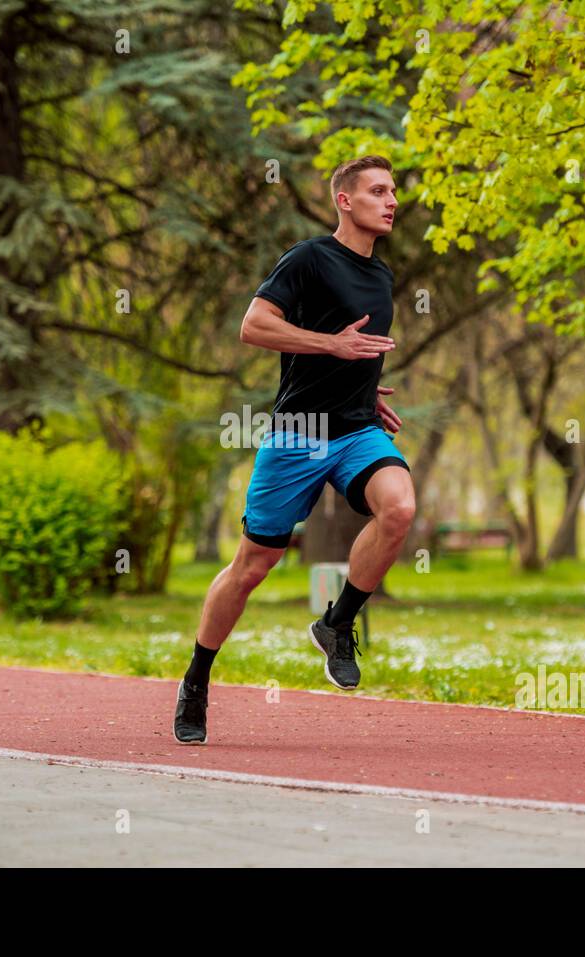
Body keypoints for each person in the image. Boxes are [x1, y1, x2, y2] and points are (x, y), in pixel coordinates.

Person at [174, 155, 416, 745]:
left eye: (393, 192)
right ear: (345, 200)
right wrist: (330, 348)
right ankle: (197, 680)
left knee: (400, 509)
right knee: (253, 566)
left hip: (356, 429)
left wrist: (364, 388)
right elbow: (254, 326)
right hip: (300, 433)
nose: (391, 201)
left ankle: (338, 623)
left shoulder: (381, 276)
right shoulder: (309, 258)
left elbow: (359, 348)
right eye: (378, 191)